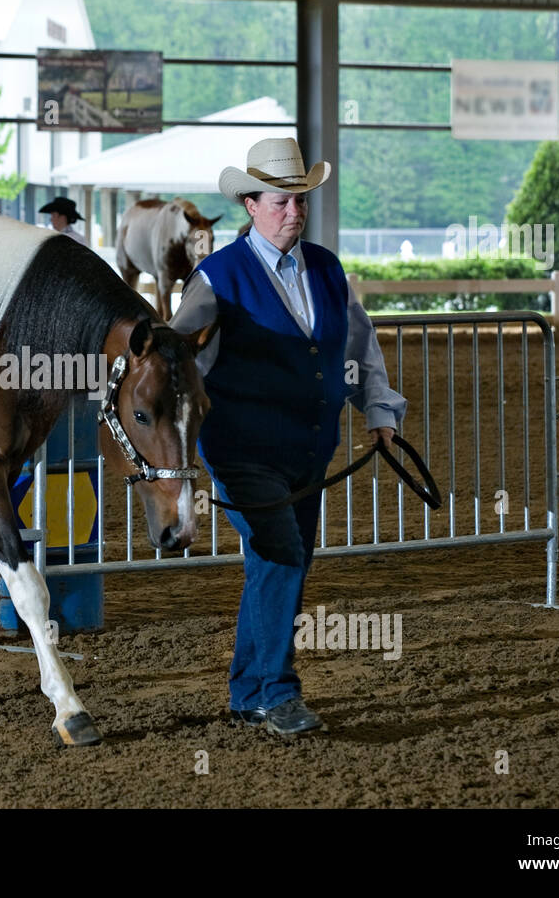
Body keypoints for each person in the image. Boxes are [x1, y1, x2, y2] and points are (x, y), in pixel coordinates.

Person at [170, 137, 406, 736]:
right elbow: (176, 362)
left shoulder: (327, 268)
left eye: (300, 201)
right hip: (240, 448)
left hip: (309, 447)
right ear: (251, 204)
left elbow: (360, 348)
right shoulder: (216, 278)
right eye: (281, 202)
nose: (294, 212)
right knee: (282, 555)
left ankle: (248, 691)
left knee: (278, 564)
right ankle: (277, 693)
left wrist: (379, 411)